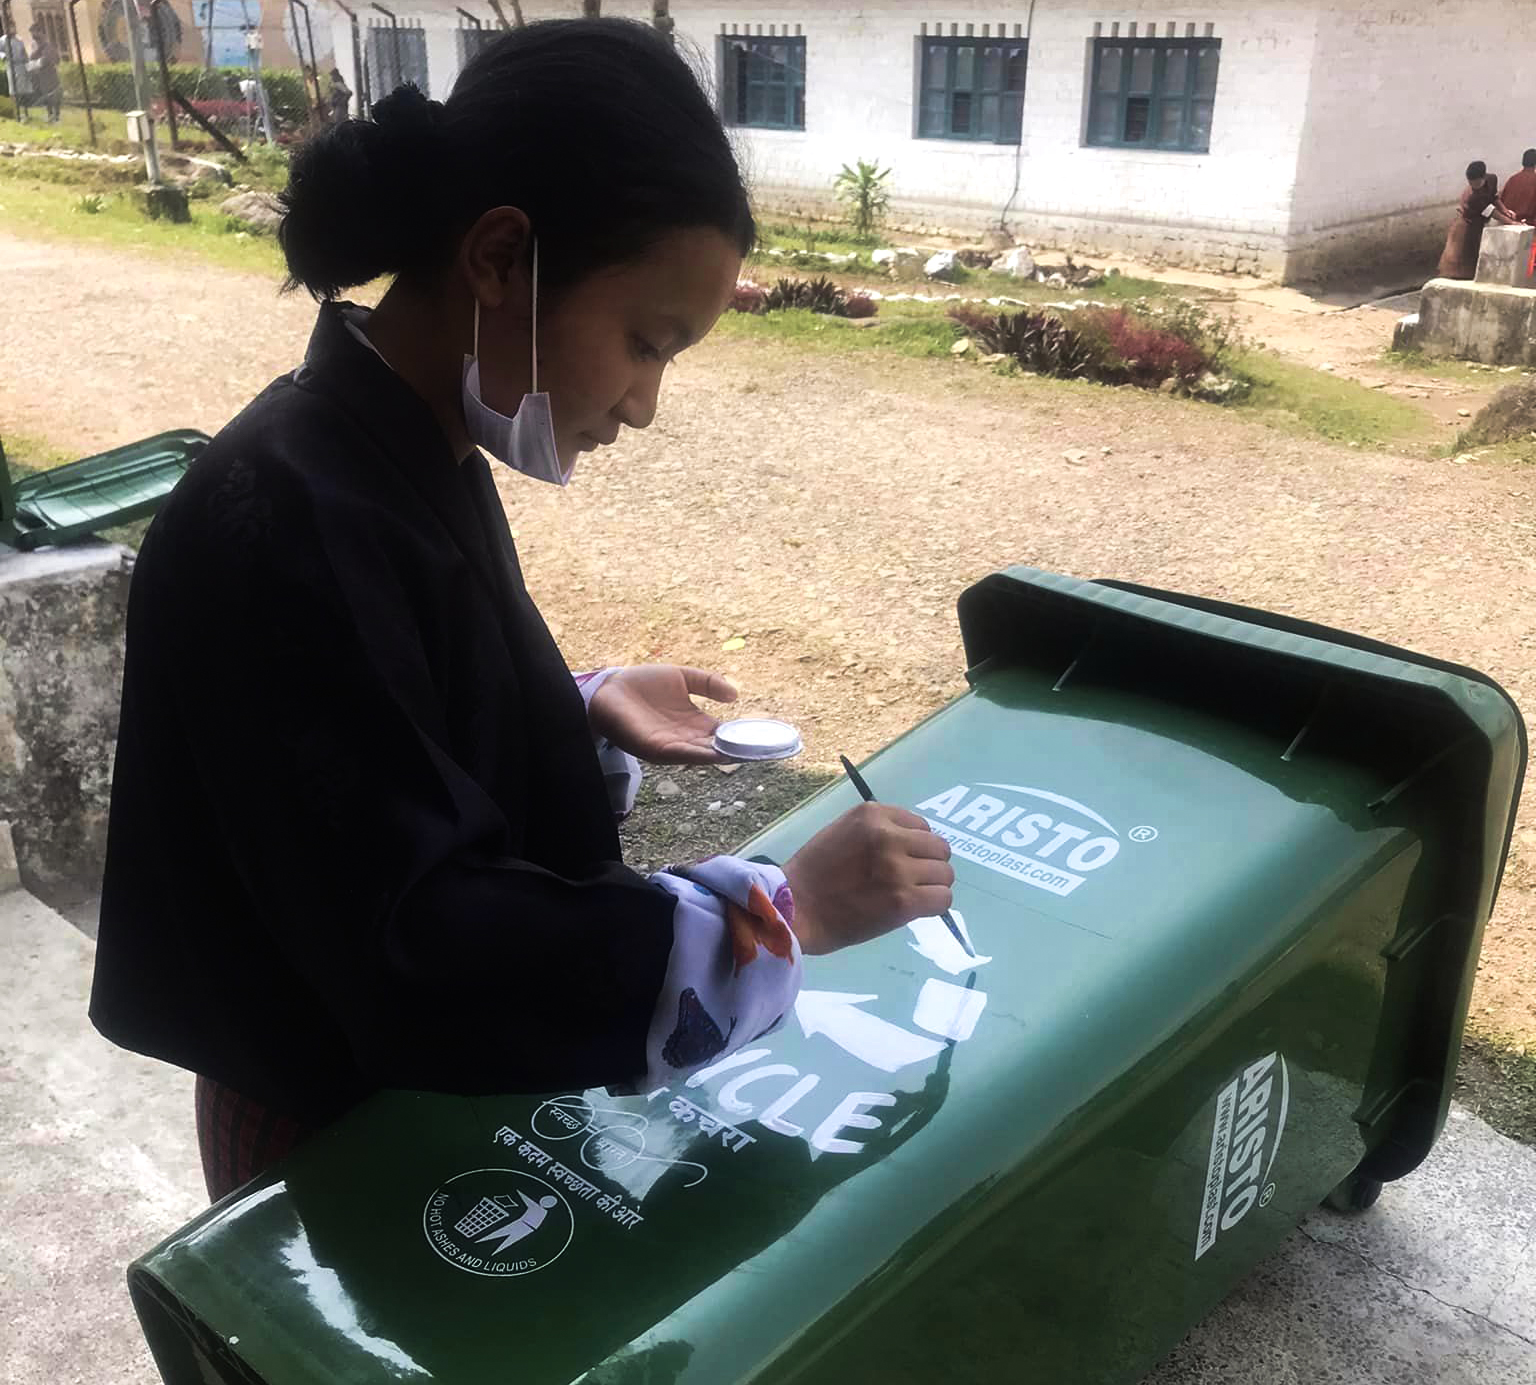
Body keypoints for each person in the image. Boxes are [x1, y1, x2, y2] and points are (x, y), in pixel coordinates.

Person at [90, 18, 955, 1204]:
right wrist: (781, 914)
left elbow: (380, 736)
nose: (644, 404)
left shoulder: (397, 452)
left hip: (400, 1098)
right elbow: (417, 946)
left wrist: (576, 705)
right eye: (646, 342)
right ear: (500, 259)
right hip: (331, 1124)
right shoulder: (289, 513)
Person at [1436, 160, 1518, 279]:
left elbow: (1494, 197)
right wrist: (1511, 222)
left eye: (1477, 182)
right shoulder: (1472, 197)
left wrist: (1505, 210)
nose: (1474, 185)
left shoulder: (1492, 179)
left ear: (1484, 177)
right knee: (1461, 256)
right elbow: (1490, 211)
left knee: (1476, 253)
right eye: (1471, 183)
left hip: (1479, 222)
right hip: (1466, 225)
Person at [27, 21, 60, 124]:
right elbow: (32, 57)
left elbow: (49, 58)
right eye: (31, 33)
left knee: (53, 94)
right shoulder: (34, 44)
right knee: (45, 95)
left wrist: (38, 62)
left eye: (34, 33)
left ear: (40, 32)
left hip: (50, 73)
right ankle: (50, 115)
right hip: (40, 74)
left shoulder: (48, 44)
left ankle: (56, 116)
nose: (33, 36)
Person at [2, 27, 32, 121]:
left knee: (23, 91)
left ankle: (25, 113)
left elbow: (24, 53)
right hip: (11, 67)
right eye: (11, 28)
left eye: (14, 27)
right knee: (13, 91)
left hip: (20, 67)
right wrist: (4, 57)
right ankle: (16, 112)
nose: (13, 29)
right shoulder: (3, 40)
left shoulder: (19, 40)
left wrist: (27, 63)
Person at [1501, 148, 1536, 227]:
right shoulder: (1534, 180)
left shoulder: (1512, 179)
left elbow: (1501, 202)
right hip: (1528, 226)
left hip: (1507, 224)